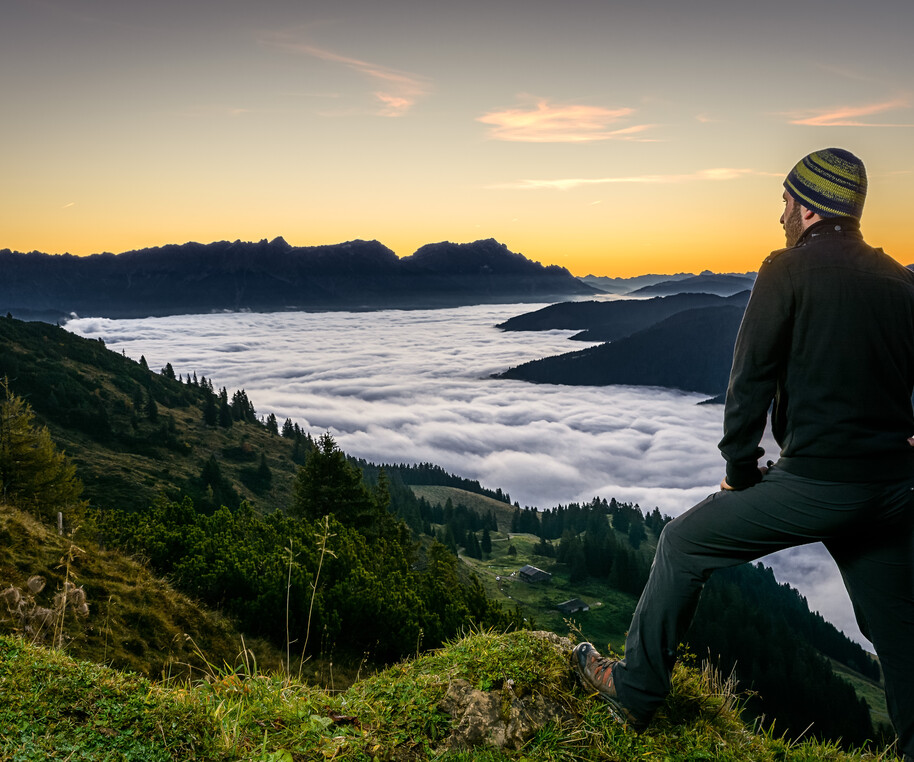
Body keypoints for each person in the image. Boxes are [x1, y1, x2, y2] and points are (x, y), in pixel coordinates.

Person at [571, 148, 914, 760]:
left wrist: (739, 470)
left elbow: (750, 379)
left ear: (810, 207)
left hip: (816, 482)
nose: (779, 211)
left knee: (683, 543)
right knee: (901, 636)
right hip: (894, 490)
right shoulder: (901, 280)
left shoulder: (785, 270)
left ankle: (635, 690)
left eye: (785, 199)